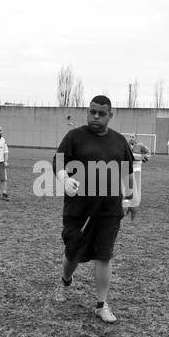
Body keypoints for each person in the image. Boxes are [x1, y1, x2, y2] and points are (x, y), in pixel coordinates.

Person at [52, 96, 137, 323]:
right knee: (73, 253)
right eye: (92, 112)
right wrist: (64, 180)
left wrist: (132, 199)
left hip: (109, 210)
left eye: (101, 113)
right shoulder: (74, 137)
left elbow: (128, 173)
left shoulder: (119, 142)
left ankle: (101, 304)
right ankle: (65, 280)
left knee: (104, 254)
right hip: (78, 209)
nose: (96, 117)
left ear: (111, 115)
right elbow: (58, 163)